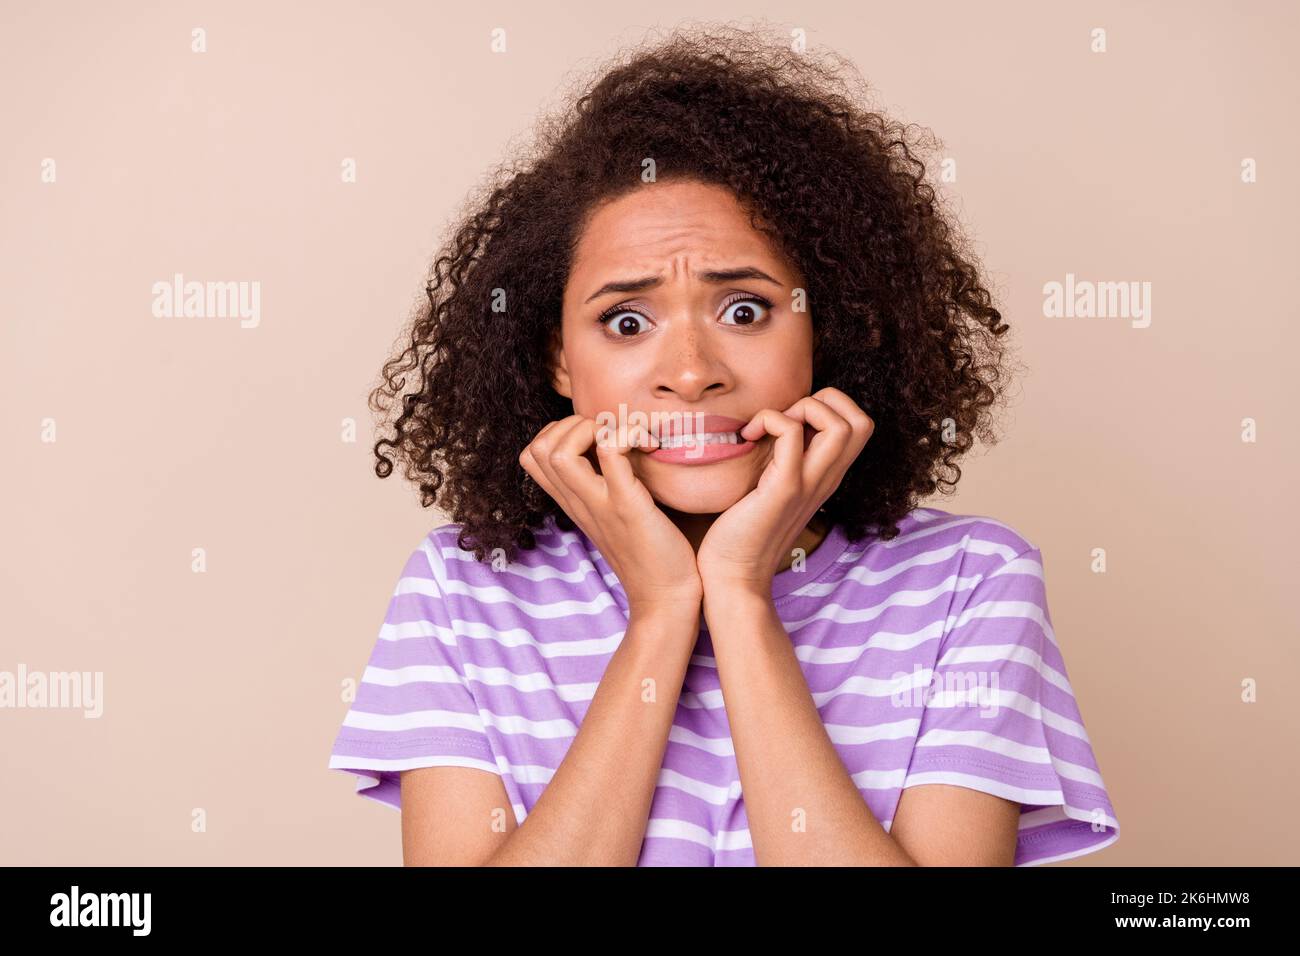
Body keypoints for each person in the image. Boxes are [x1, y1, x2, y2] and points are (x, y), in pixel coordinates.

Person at [328, 25, 1119, 866]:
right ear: (559, 358)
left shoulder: (971, 582)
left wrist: (739, 598)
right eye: (625, 322)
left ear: (830, 326)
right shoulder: (464, 589)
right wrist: (663, 610)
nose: (692, 372)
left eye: (744, 310)